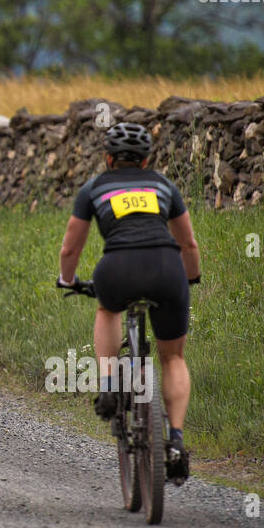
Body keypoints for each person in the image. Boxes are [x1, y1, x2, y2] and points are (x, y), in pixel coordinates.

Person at [56, 121, 201, 483]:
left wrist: (68, 280)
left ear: (108, 158)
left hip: (118, 267)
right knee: (173, 357)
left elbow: (71, 246)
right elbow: (189, 246)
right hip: (167, 268)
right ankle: (177, 441)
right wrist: (191, 277)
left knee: (107, 309)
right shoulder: (163, 185)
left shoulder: (94, 188)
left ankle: (107, 386)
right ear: (147, 159)